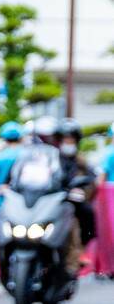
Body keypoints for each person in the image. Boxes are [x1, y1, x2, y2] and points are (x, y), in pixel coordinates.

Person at [57, 117, 96, 276]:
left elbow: (91, 181)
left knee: (87, 213)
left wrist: (81, 193)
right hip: (51, 200)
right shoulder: (52, 158)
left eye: (71, 139)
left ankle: (78, 252)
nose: (68, 142)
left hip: (72, 203)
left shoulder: (81, 161)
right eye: (65, 139)